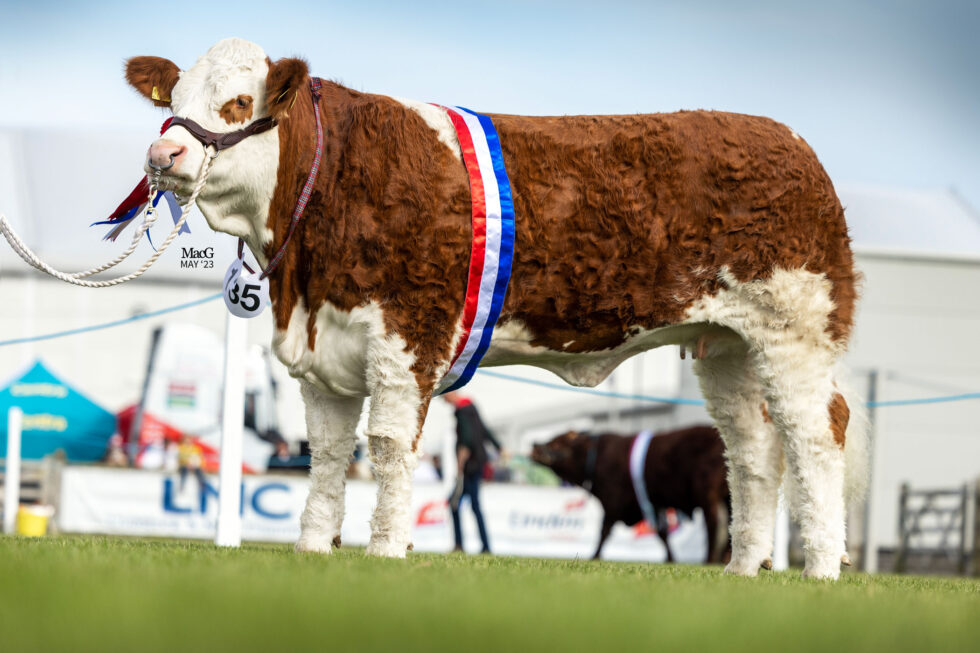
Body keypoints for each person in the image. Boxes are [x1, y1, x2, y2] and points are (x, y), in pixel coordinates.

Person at [443, 391, 503, 553]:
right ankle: (483, 546)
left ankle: (462, 545)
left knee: (455, 503)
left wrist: (460, 464)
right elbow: (484, 430)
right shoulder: (471, 407)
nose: (443, 400)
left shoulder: (461, 411)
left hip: (469, 466)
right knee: (471, 506)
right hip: (479, 463)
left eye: (444, 396)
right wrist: (499, 447)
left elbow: (467, 440)